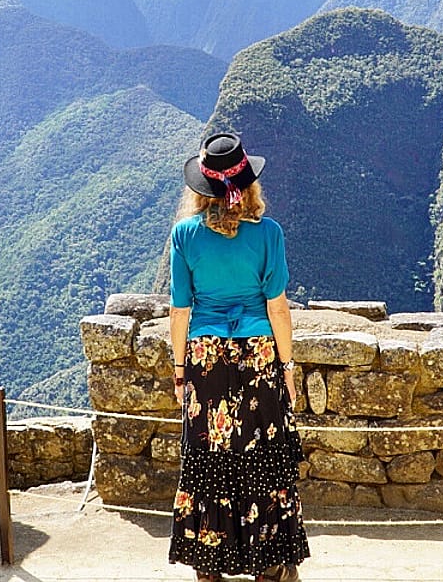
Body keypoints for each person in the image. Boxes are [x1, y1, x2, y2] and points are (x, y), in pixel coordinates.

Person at [167, 132, 310, 582]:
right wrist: (286, 367)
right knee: (264, 457)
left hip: (206, 358)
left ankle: (211, 567)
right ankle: (269, 565)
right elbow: (278, 308)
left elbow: (180, 310)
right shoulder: (268, 234)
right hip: (258, 357)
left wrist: (178, 371)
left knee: (209, 459)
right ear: (248, 186)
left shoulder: (185, 235)